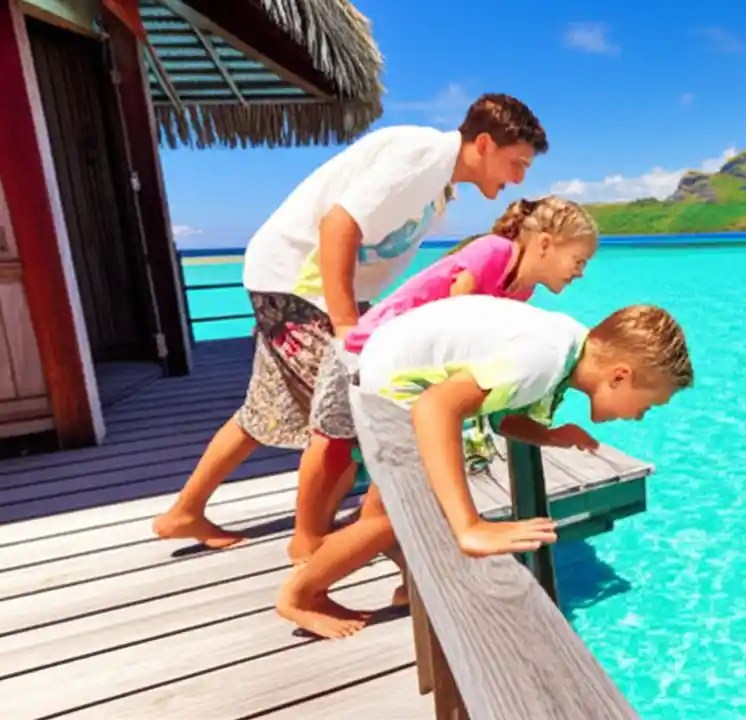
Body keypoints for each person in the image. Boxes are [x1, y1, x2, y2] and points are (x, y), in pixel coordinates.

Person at [152, 93, 548, 565]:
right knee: (353, 416)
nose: (519, 178)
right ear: (484, 143)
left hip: (304, 284)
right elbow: (339, 225)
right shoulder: (422, 157)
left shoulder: (438, 178)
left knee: (266, 411)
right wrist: (346, 325)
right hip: (303, 286)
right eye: (516, 163)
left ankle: (185, 510)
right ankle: (320, 545)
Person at [275, 296, 694, 638]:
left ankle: (395, 587)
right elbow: (436, 406)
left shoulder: (567, 348)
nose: (640, 417)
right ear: (620, 376)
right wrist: (469, 526)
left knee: (386, 513)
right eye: (648, 405)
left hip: (387, 371)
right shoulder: (544, 359)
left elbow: (500, 416)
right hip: (397, 390)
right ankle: (300, 595)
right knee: (395, 516)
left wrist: (549, 436)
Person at [301, 195, 600, 534]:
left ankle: (365, 532)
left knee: (384, 463)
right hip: (368, 347)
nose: (580, 271)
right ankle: (307, 537)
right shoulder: (495, 251)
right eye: (578, 260)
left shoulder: (521, 292)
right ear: (545, 244)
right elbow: (460, 310)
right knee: (333, 445)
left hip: (408, 374)